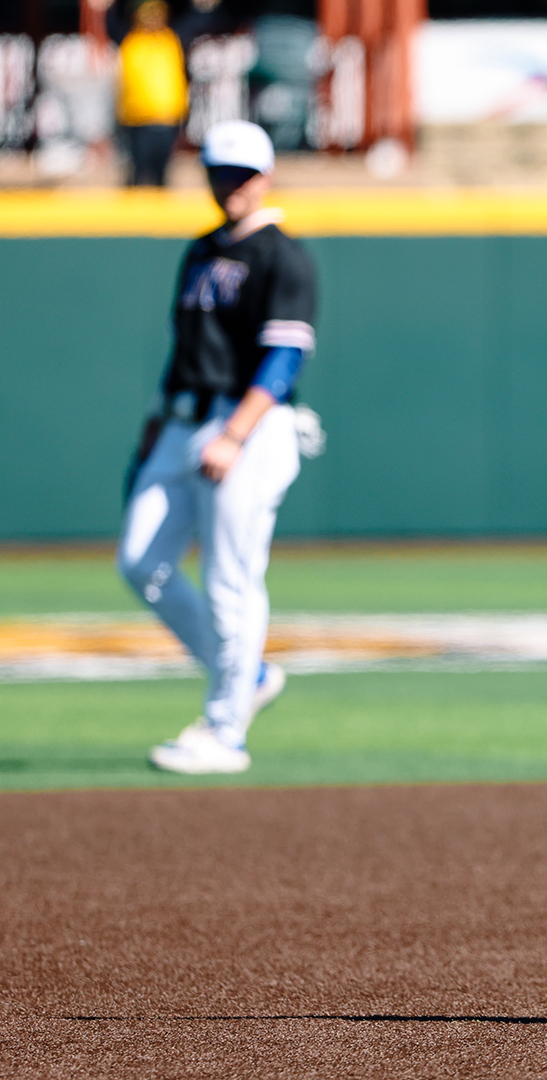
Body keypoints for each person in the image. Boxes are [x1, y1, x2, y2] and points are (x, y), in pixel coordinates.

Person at [120, 119, 316, 775]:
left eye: (241, 173)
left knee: (232, 579)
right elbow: (185, 349)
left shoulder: (283, 255)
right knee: (141, 562)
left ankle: (226, 730)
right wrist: (156, 420)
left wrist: (237, 434)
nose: (229, 184)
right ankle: (248, 675)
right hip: (184, 420)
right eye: (219, 172)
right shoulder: (202, 248)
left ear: (264, 176)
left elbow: (284, 357)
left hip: (247, 425)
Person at [116, 0, 189, 188]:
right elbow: (108, 26)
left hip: (167, 119)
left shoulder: (172, 38)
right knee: (138, 174)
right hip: (137, 121)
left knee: (162, 175)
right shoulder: (129, 39)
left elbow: (196, 22)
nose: (152, 18)